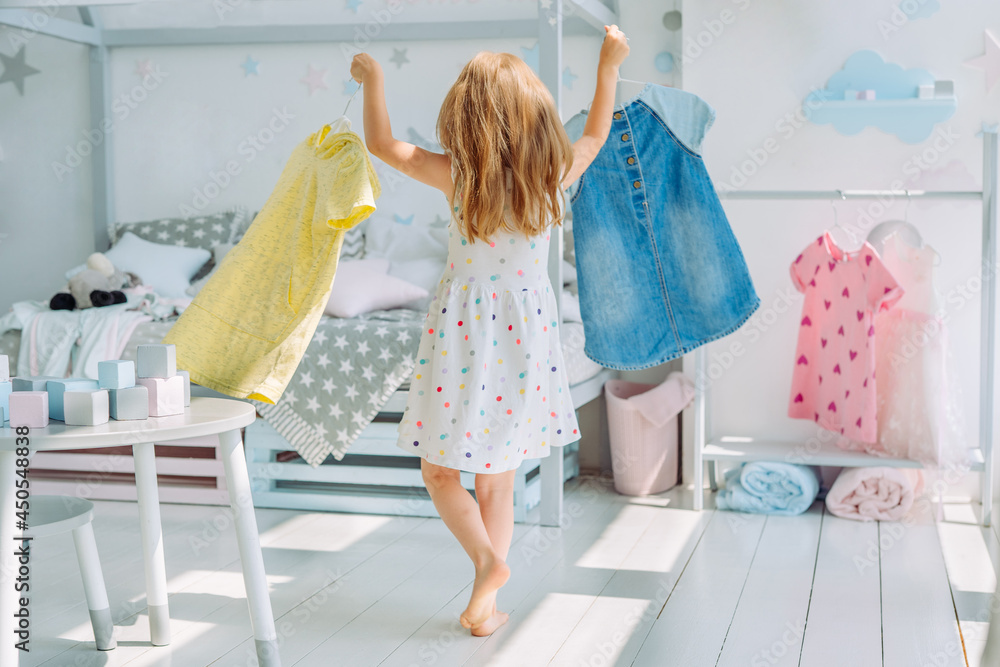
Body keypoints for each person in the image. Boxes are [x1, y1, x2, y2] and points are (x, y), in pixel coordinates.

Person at [350, 25, 629, 637]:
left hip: (463, 334)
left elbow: (381, 143)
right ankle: (487, 603)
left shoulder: (456, 175)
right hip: (526, 335)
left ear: (467, 116)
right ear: (534, 117)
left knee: (439, 472)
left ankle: (485, 564)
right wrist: (607, 66)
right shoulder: (551, 175)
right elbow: (595, 135)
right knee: (497, 480)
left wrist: (374, 79)